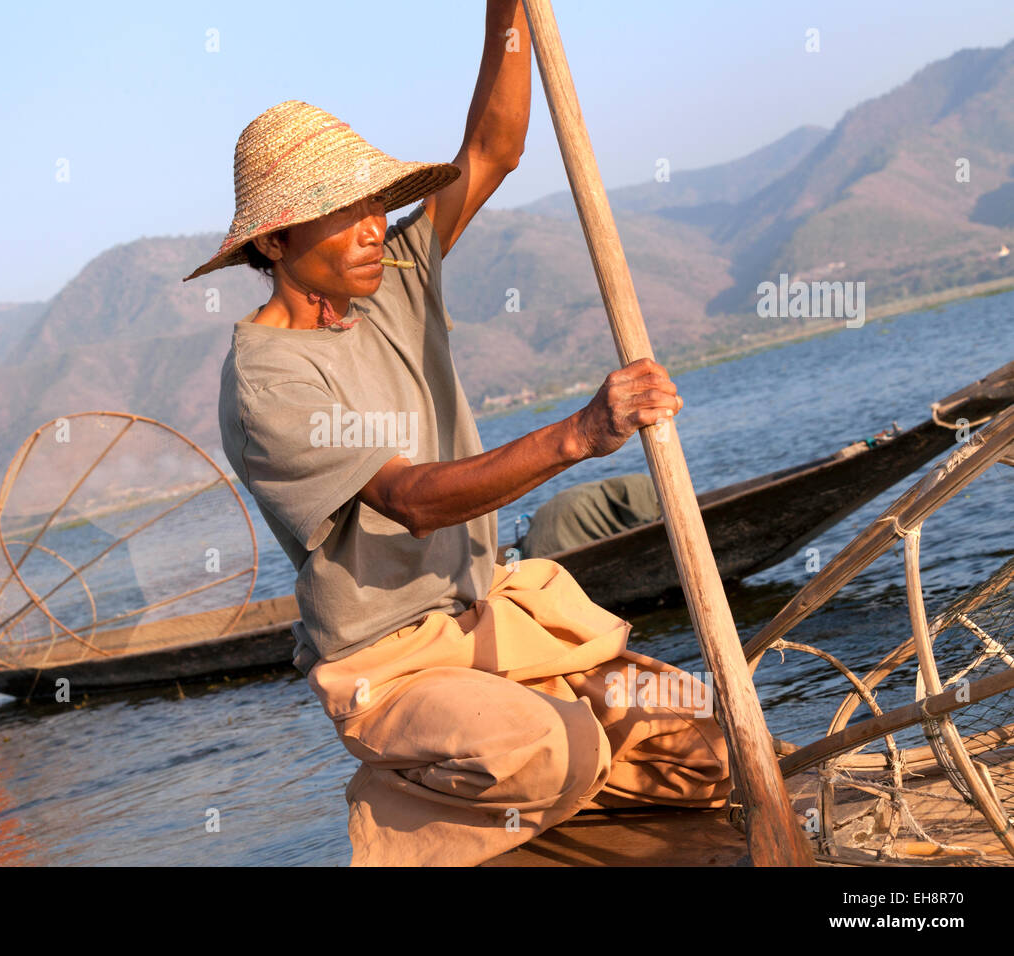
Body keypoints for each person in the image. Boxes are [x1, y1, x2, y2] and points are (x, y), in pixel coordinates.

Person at [188, 0, 729, 866]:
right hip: (393, 664)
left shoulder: (394, 277)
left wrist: (507, 9)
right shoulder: (266, 382)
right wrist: (580, 433)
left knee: (707, 739)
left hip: (492, 617)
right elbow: (410, 501)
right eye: (347, 212)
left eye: (377, 205)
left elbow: (494, 148)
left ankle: (557, 762)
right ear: (277, 238)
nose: (375, 228)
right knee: (553, 752)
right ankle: (403, 808)